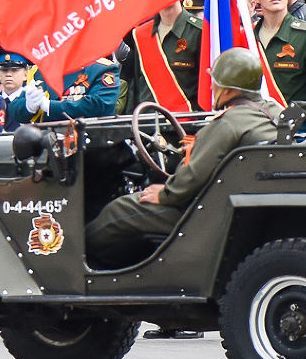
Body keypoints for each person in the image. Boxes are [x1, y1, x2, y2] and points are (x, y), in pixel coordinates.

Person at [84, 48, 280, 268]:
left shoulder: (228, 123)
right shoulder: (274, 111)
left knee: (120, 209)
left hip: (203, 211)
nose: (212, 87)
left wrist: (166, 193)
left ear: (227, 90)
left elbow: (193, 175)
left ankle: (85, 259)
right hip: (240, 203)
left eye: (215, 82)